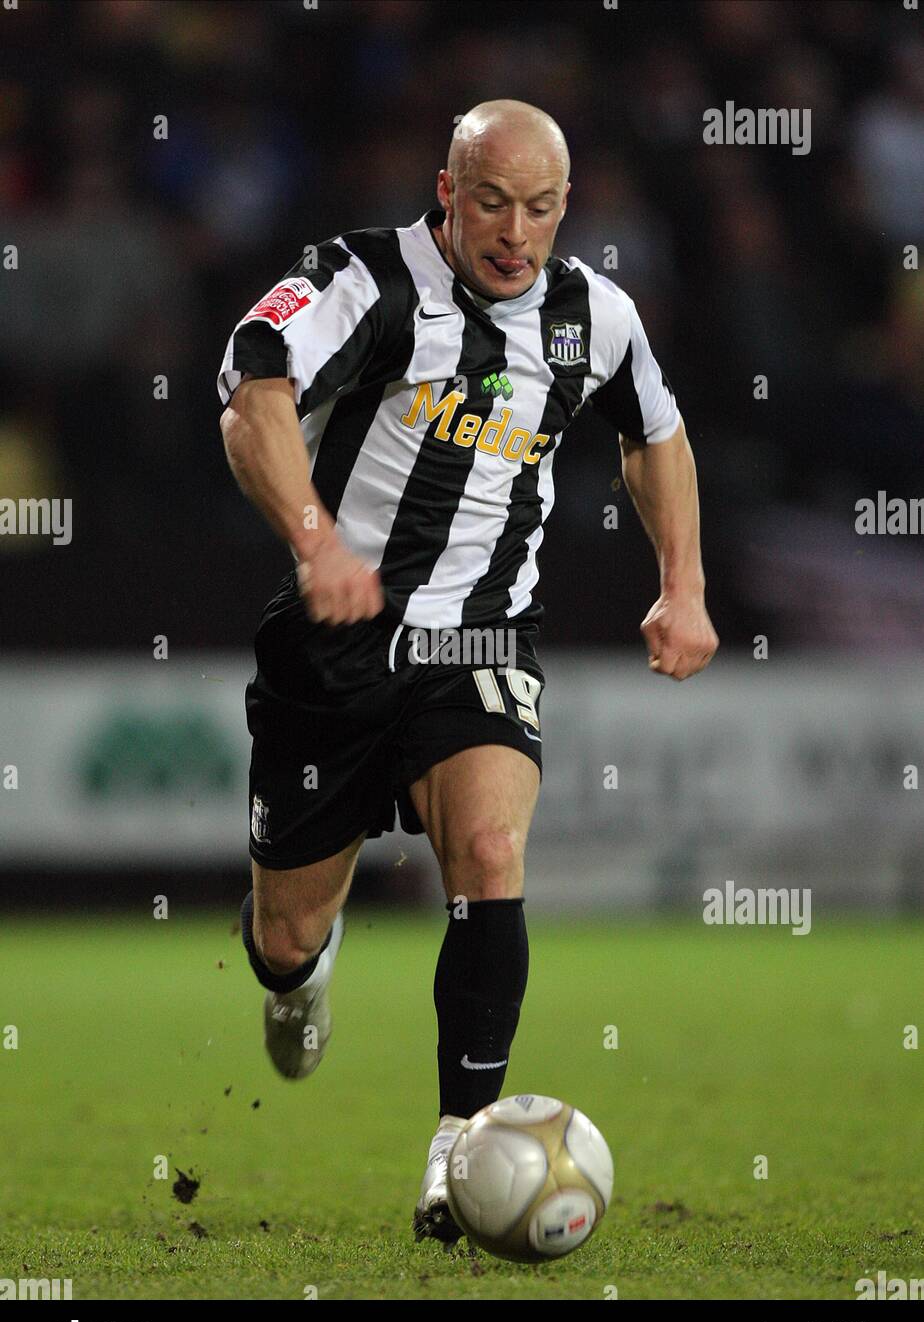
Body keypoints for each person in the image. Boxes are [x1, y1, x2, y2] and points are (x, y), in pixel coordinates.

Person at [217, 99, 718, 1245]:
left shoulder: (596, 314)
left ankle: (458, 1142)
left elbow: (657, 433)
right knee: (284, 933)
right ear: (448, 191)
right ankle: (299, 975)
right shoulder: (362, 280)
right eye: (491, 201)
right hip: (333, 648)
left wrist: (682, 582)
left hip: (482, 640)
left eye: (541, 208)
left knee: (491, 851)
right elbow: (253, 392)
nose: (516, 232)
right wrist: (313, 537)